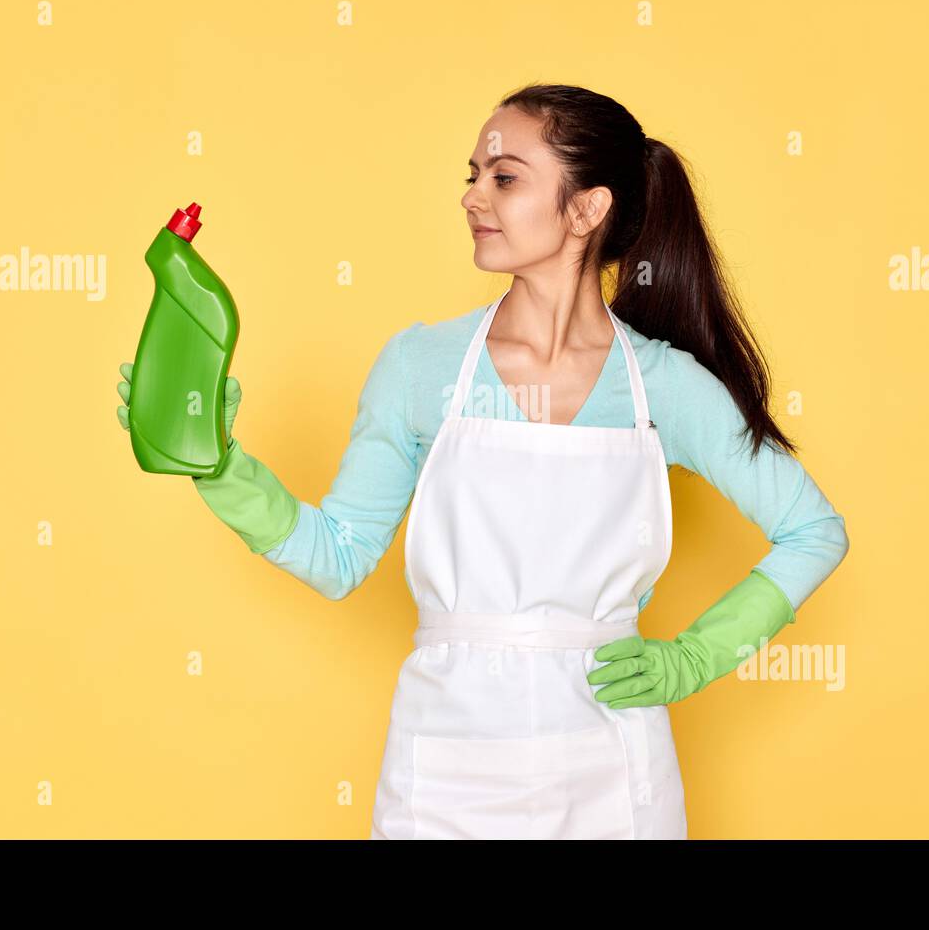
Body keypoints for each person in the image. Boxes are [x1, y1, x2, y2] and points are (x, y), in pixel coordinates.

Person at [116, 84, 850, 839]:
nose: (473, 197)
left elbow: (814, 530)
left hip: (613, 766)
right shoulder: (420, 366)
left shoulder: (661, 386)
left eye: (503, 177)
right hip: (445, 768)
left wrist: (693, 659)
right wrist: (217, 465)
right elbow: (336, 555)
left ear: (586, 209)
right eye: (470, 175)